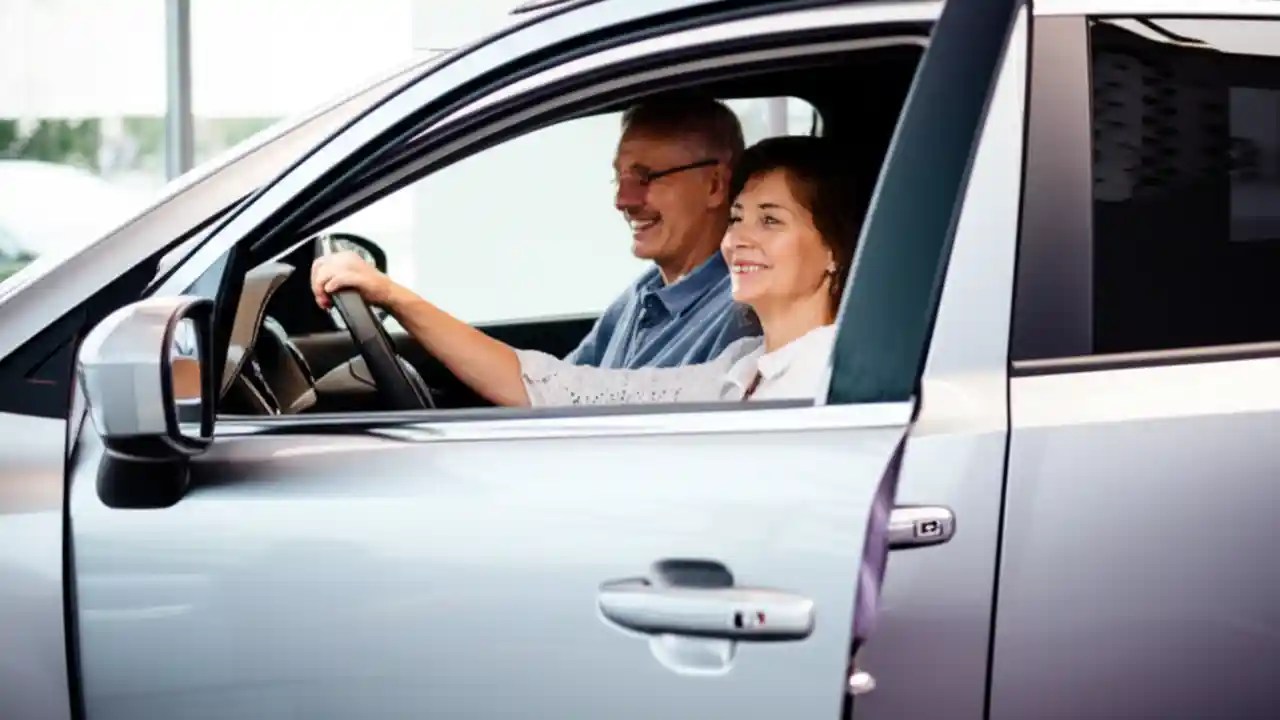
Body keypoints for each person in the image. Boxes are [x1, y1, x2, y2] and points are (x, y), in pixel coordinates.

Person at [311, 135, 863, 406]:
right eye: (738, 218)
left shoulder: (836, 378)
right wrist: (394, 296)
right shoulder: (741, 367)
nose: (739, 237)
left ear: (835, 248)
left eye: (770, 221)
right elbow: (566, 389)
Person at [565, 94, 760, 369]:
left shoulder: (742, 314)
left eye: (645, 177)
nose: (623, 201)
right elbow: (556, 387)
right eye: (621, 179)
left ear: (714, 186)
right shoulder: (642, 294)